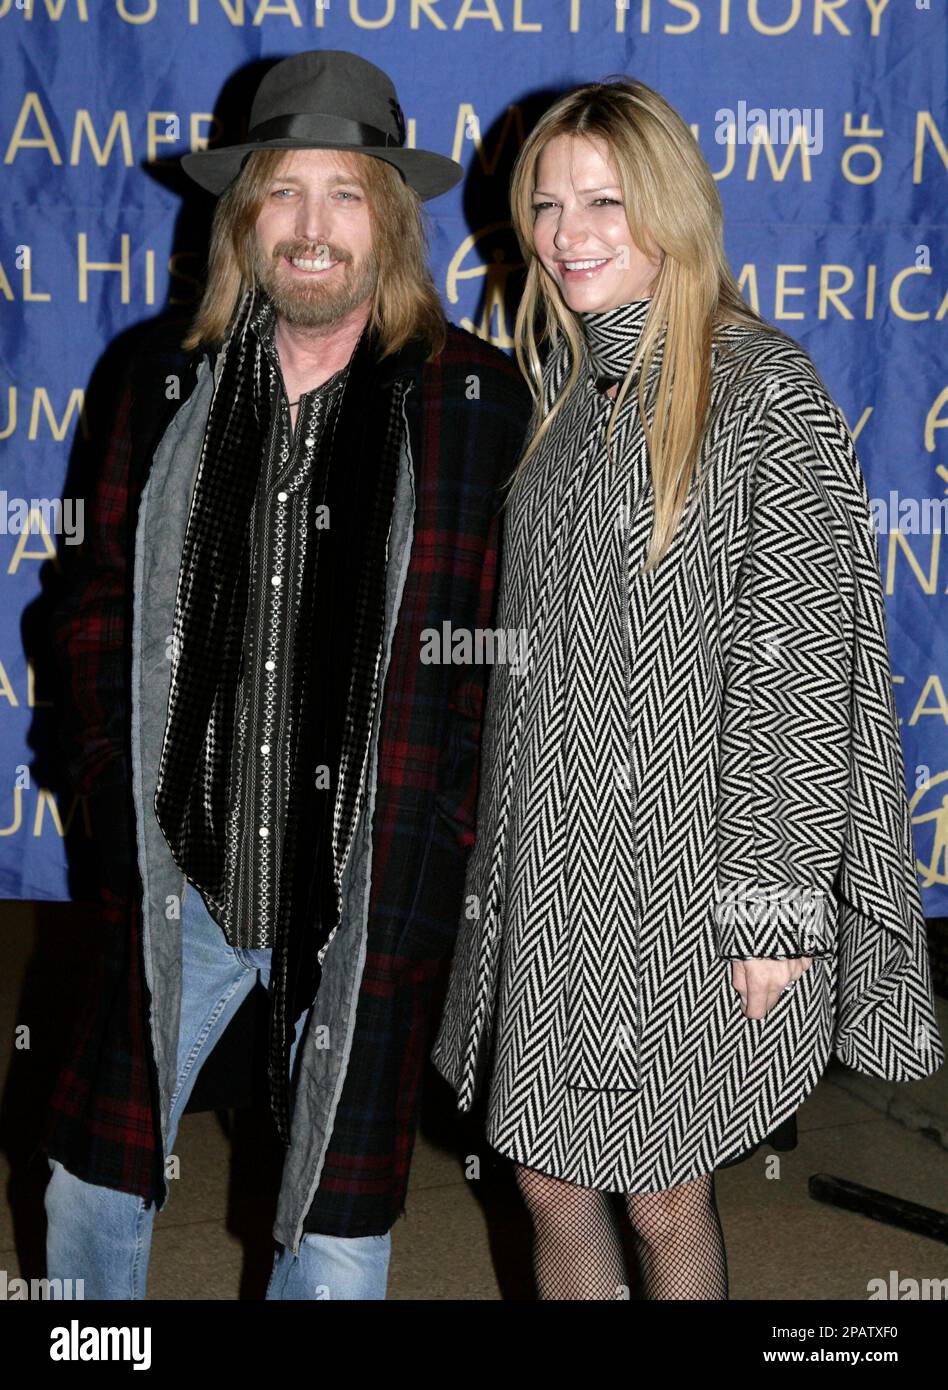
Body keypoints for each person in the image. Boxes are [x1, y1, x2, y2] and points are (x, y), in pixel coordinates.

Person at [431, 75, 944, 1300]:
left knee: (663, 1188)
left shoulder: (760, 388)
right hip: (555, 862)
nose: (568, 233)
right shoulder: (560, 395)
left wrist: (773, 902)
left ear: (673, 209)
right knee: (546, 1175)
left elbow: (805, 657)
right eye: (547, 204)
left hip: (692, 863)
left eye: (606, 200)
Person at [41, 49, 533, 1300]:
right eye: (284, 193)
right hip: (183, 872)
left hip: (366, 887)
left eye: (347, 194)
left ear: (390, 221)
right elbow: (90, 604)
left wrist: (445, 825)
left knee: (333, 1230)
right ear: (243, 214)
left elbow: (503, 642)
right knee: (86, 1182)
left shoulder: (473, 400)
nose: (312, 229)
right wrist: (107, 789)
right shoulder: (158, 386)